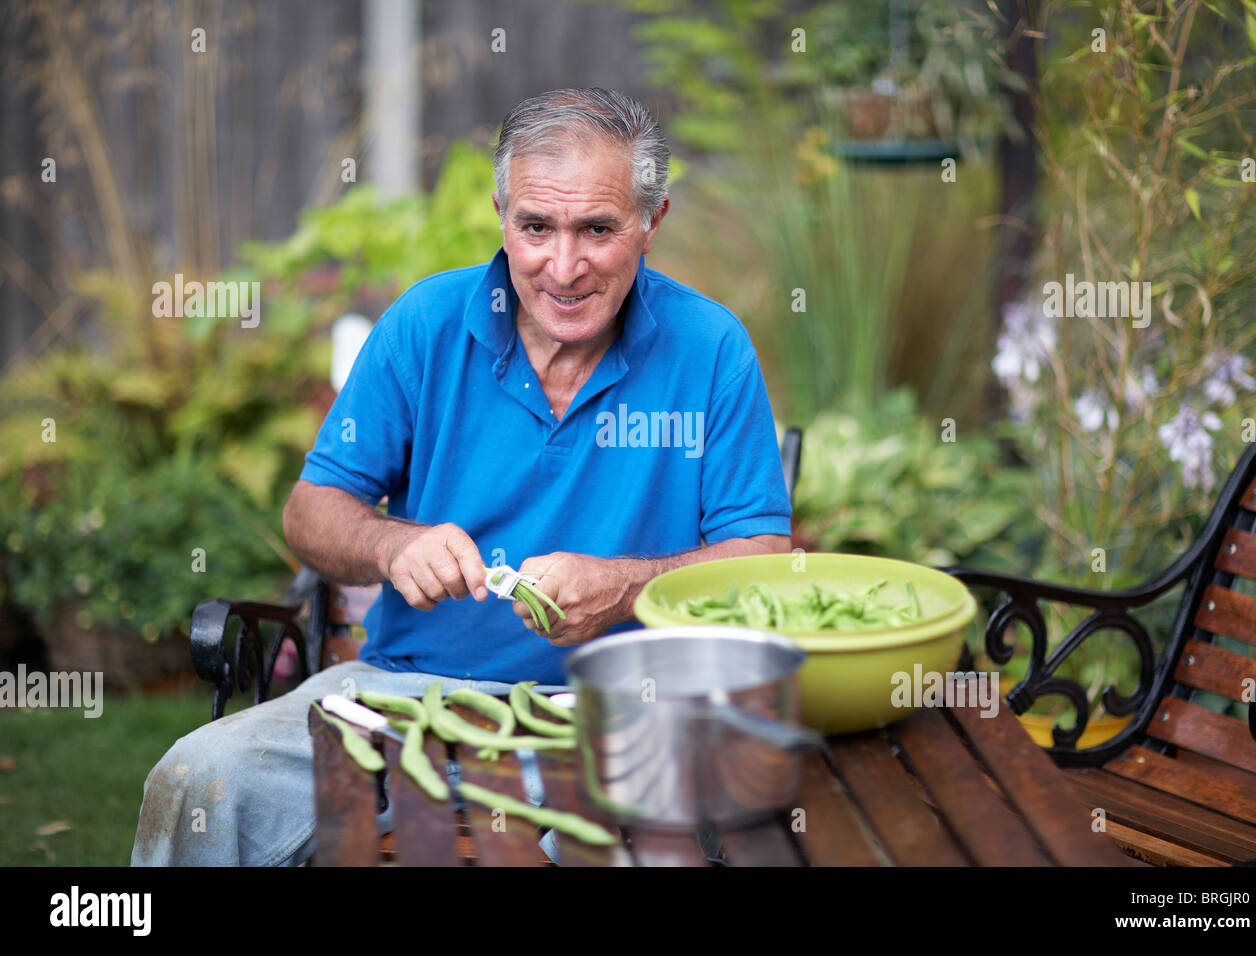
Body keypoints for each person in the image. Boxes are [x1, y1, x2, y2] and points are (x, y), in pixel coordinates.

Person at [131, 87, 791, 866]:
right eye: (536, 227)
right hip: (395, 699)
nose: (564, 265)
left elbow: (764, 557)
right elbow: (311, 511)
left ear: (652, 222)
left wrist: (624, 586)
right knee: (199, 776)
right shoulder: (426, 323)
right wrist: (390, 546)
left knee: (602, 835)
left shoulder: (710, 346)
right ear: (501, 215)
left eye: (599, 230)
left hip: (617, 713)